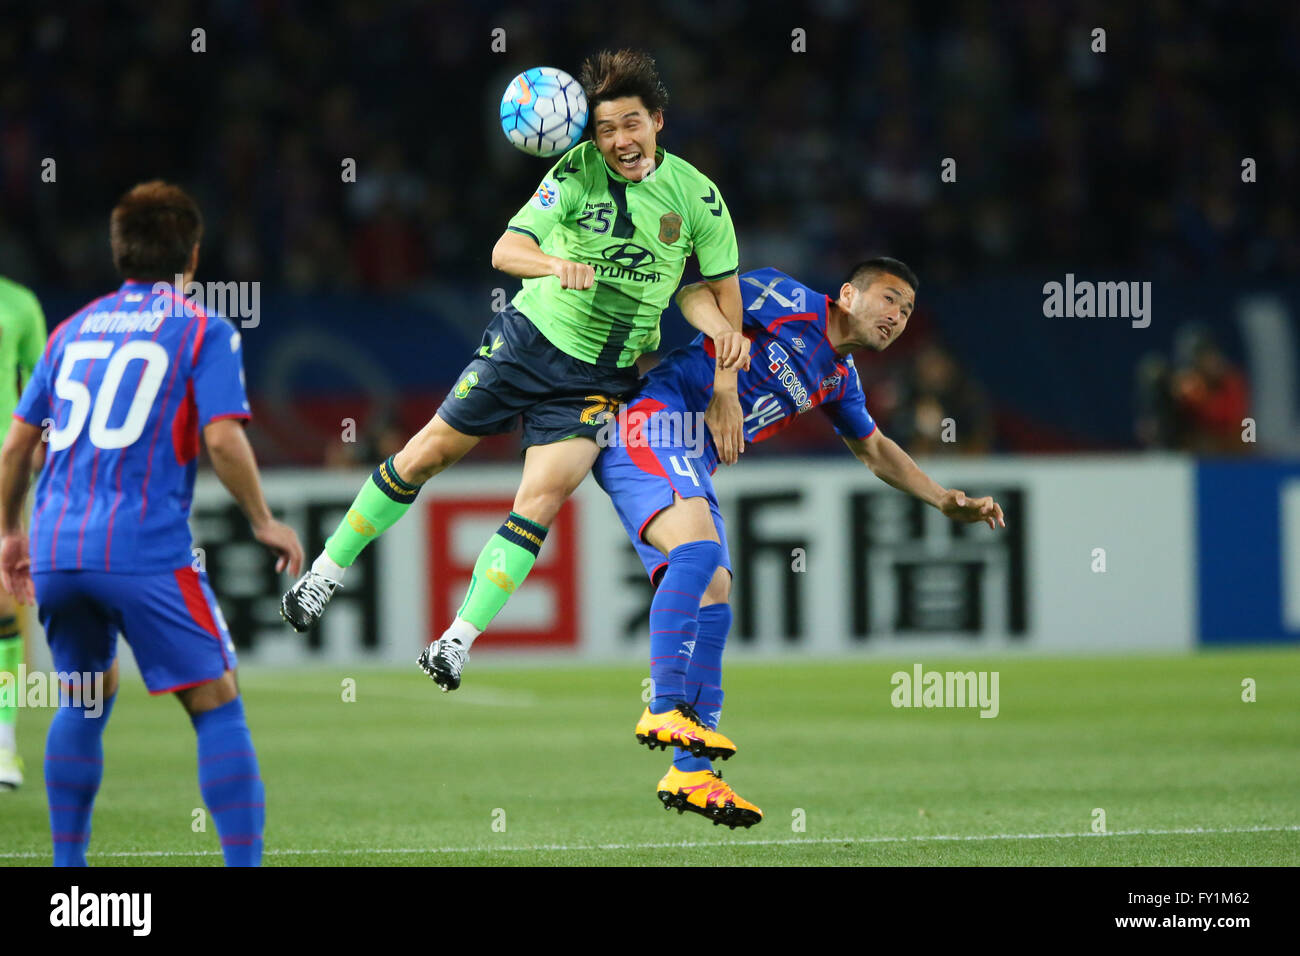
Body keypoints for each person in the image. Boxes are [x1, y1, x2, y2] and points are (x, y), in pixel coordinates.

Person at [280, 50, 749, 732]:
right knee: (428, 453)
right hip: (529, 340)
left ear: (658, 122)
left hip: (600, 378)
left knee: (541, 501)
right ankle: (325, 571)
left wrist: (726, 385)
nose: (619, 140)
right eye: (605, 128)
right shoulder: (573, 172)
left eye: (631, 125)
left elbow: (719, 293)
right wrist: (556, 262)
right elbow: (506, 250)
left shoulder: (698, 198)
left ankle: (455, 643)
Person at [591, 259, 1005, 827]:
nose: (897, 317)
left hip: (691, 460)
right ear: (847, 295)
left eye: (907, 311)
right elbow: (692, 296)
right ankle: (663, 705)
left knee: (715, 591)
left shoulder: (840, 379)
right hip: (652, 422)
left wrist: (941, 498)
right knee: (700, 556)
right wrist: (724, 379)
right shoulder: (786, 297)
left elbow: (876, 449)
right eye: (888, 299)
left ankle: (692, 772)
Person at [0, 181, 303, 866]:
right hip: (140, 547)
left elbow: (17, 446)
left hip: (55, 548)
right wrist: (262, 520)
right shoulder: (203, 329)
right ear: (192, 257)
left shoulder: (69, 330)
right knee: (217, 702)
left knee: (82, 698)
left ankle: (69, 876)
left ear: (119, 254)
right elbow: (223, 440)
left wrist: (11, 536)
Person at [0, 275, 47, 790]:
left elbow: (42, 385)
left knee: (1, 605)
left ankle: (4, 745)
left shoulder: (19, 302)